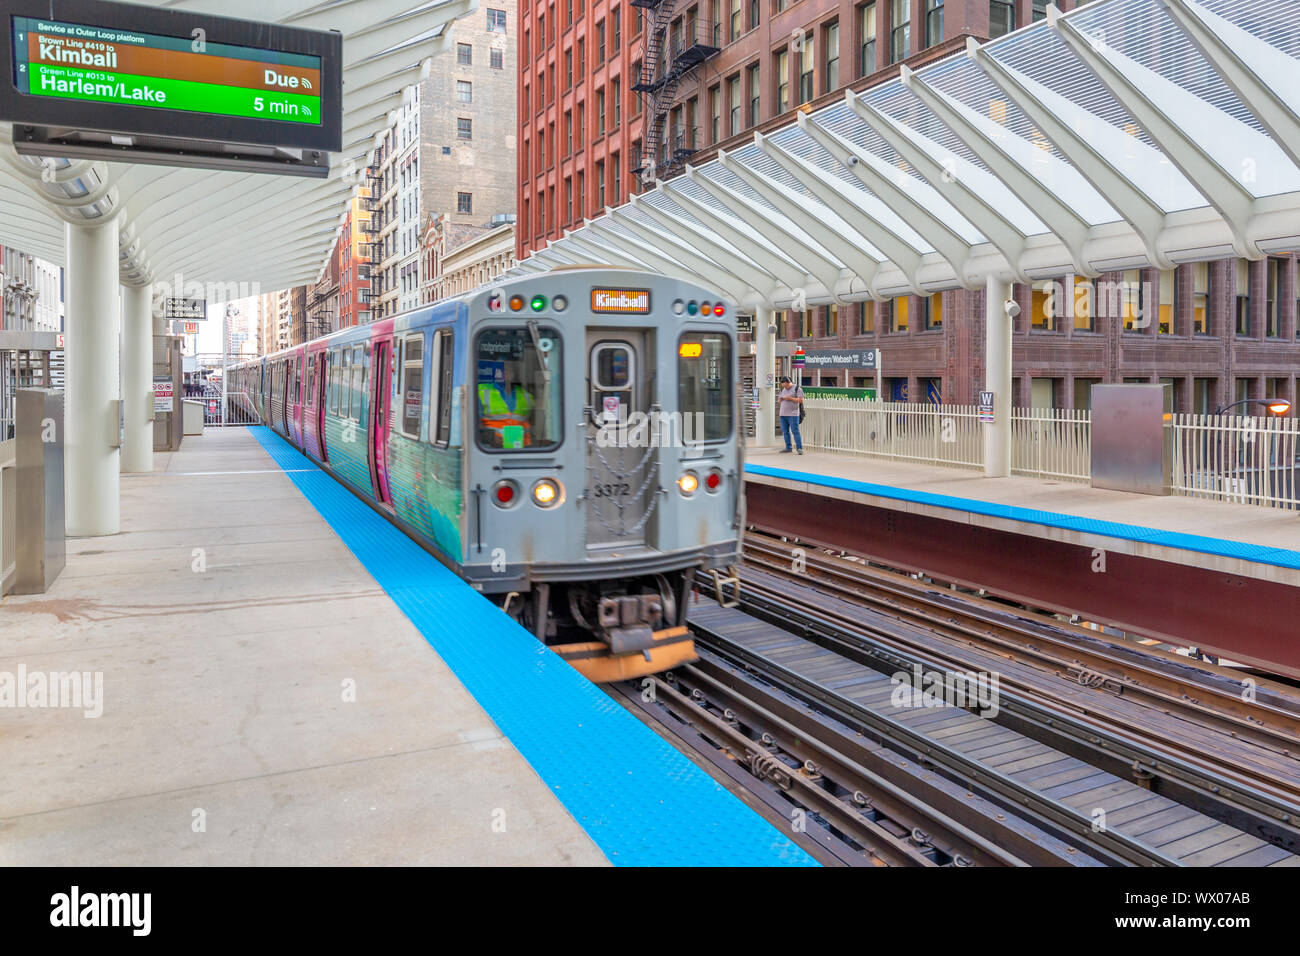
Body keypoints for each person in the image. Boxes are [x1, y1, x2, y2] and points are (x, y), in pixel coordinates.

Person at [478, 378, 534, 449]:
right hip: (491, 449)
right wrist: (490, 436)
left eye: (509, 370)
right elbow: (475, 423)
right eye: (502, 370)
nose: (506, 374)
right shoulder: (482, 391)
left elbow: (533, 422)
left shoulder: (525, 395)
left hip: (521, 448)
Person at [777, 376, 804, 455]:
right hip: (783, 414)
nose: (786, 387)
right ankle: (788, 447)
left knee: (795, 431)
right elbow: (779, 400)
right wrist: (780, 399)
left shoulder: (797, 388)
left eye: (786, 386)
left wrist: (790, 398)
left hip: (793, 414)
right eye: (784, 386)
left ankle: (799, 448)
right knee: (785, 432)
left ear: (789, 382)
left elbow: (801, 400)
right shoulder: (783, 389)